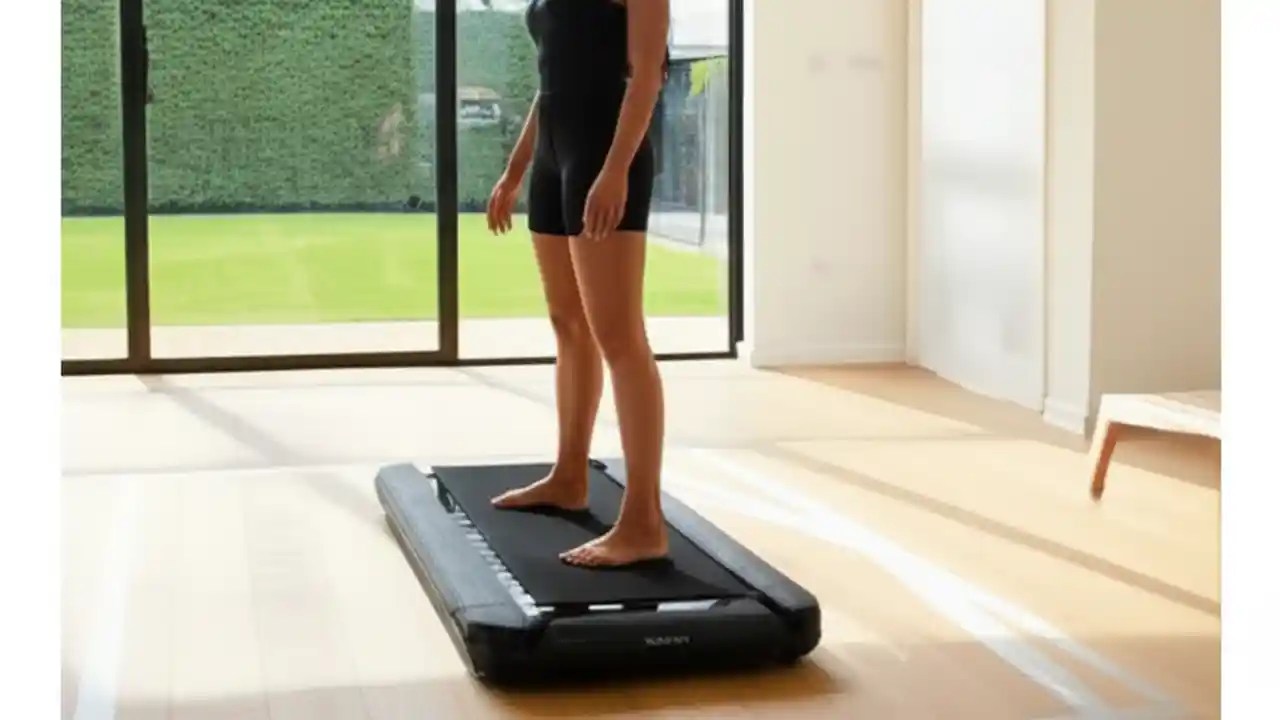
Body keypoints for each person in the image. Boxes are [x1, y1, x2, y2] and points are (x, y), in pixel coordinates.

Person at [484, 0, 671, 569]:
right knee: (569, 326)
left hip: (604, 154)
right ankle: (570, 475)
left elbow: (647, 78)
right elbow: (551, 84)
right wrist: (516, 171)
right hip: (553, 158)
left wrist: (615, 169)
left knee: (619, 336)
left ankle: (643, 521)